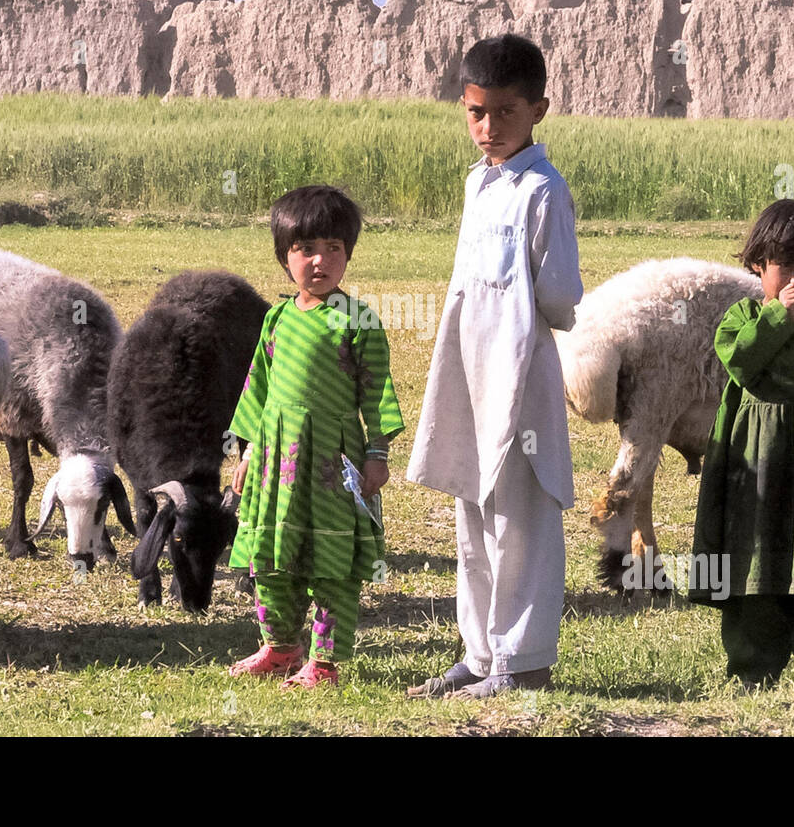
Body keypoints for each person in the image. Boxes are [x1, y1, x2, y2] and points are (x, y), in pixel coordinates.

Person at [405, 34, 584, 698]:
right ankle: (480, 655)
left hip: (522, 384)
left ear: (539, 109)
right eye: (476, 112)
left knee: (521, 523)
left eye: (505, 112)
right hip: (471, 379)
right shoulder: (478, 186)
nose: (489, 127)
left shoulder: (542, 190)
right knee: (473, 517)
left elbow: (561, 296)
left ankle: (524, 662)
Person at [226, 185, 404, 690]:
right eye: (306, 249)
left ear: (348, 254)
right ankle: (281, 647)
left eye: (334, 248)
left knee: (333, 561)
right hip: (275, 461)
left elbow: (377, 390)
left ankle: (323, 663)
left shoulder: (358, 319)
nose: (320, 260)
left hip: (332, 462)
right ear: (285, 257)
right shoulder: (276, 319)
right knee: (272, 555)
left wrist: (377, 453)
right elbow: (256, 389)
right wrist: (247, 452)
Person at [690, 198, 794, 688]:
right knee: (754, 560)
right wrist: (775, 324)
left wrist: (769, 366)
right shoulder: (739, 319)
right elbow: (740, 361)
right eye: (785, 264)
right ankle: (752, 670)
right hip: (753, 474)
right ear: (758, 264)